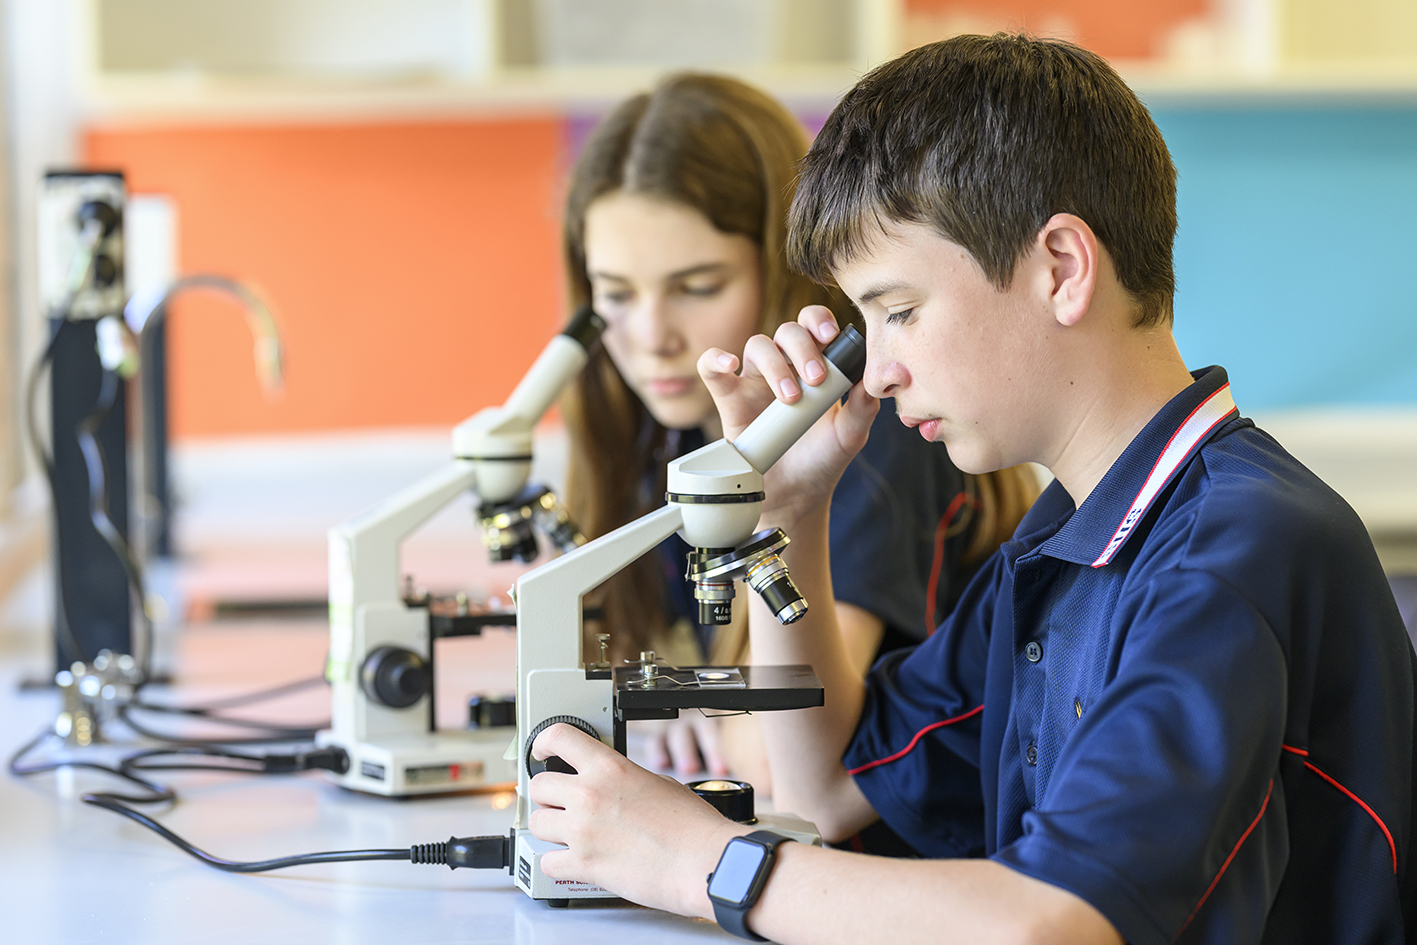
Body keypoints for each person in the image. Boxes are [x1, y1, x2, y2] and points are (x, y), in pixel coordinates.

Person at [526, 34, 1417, 944]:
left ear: (1062, 269)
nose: (873, 373)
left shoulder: (1229, 553)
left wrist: (693, 863)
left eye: (900, 311)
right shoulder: (1066, 541)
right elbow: (819, 787)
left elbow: (1051, 921)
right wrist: (791, 512)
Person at [559, 73, 1037, 782]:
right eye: (617, 295)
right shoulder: (663, 436)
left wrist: (674, 703)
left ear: (786, 268)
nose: (652, 335)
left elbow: (776, 764)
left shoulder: (876, 434)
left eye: (697, 287)